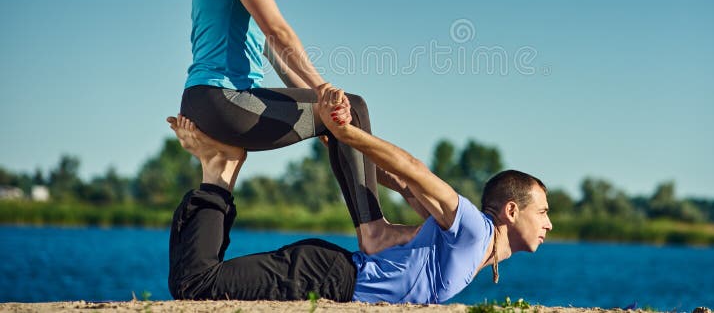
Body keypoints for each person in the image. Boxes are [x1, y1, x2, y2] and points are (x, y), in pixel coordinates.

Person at [173, 0, 414, 254]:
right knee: (351, 106)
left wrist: (320, 104)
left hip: (213, 99)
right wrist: (324, 89)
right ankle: (374, 230)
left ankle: (383, 217)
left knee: (342, 111)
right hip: (223, 99)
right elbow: (277, 31)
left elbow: (270, 48)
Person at [167, 87, 553, 304]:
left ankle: (218, 170)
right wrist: (348, 135)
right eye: (544, 212)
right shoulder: (473, 229)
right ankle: (218, 172)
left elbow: (399, 184)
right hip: (324, 277)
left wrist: (342, 149)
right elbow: (413, 171)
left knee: (199, 284)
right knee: (197, 287)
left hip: (332, 275)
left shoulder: (471, 246)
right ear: (512, 210)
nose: (549, 224)